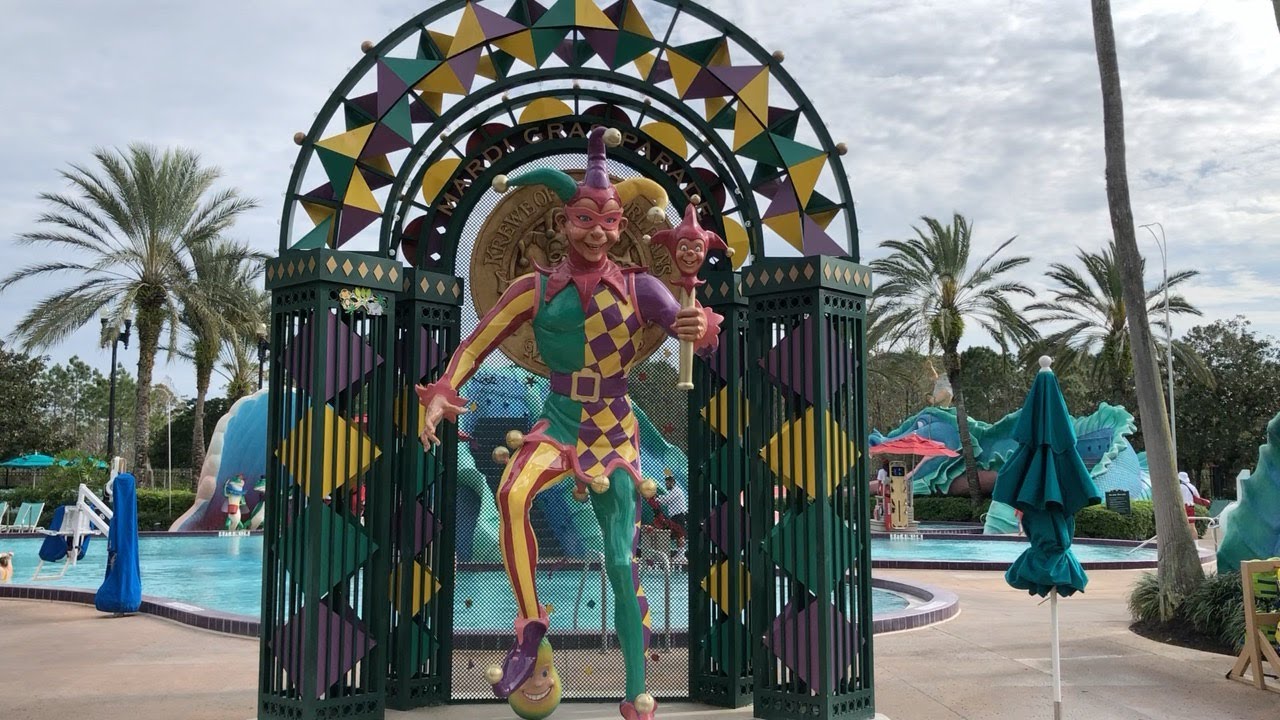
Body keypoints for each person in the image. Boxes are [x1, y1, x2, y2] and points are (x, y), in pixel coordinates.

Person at [416, 126, 721, 720]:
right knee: (510, 492)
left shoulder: (643, 287)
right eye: (585, 217)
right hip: (557, 420)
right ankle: (532, 628)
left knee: (619, 560)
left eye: (608, 220)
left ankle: (636, 691)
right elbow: (476, 343)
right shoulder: (532, 290)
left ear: (620, 226)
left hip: (613, 426)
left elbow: (700, 329)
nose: (598, 229)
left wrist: (698, 329)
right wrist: (444, 389)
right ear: (564, 223)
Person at [657, 471, 688, 561]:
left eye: (668, 482)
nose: (666, 484)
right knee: (676, 535)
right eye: (666, 482)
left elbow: (666, 500)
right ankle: (679, 555)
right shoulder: (672, 492)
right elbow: (666, 498)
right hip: (674, 517)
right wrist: (657, 498)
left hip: (679, 516)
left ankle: (682, 556)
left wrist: (656, 498)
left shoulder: (677, 490)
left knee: (680, 535)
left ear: (673, 482)